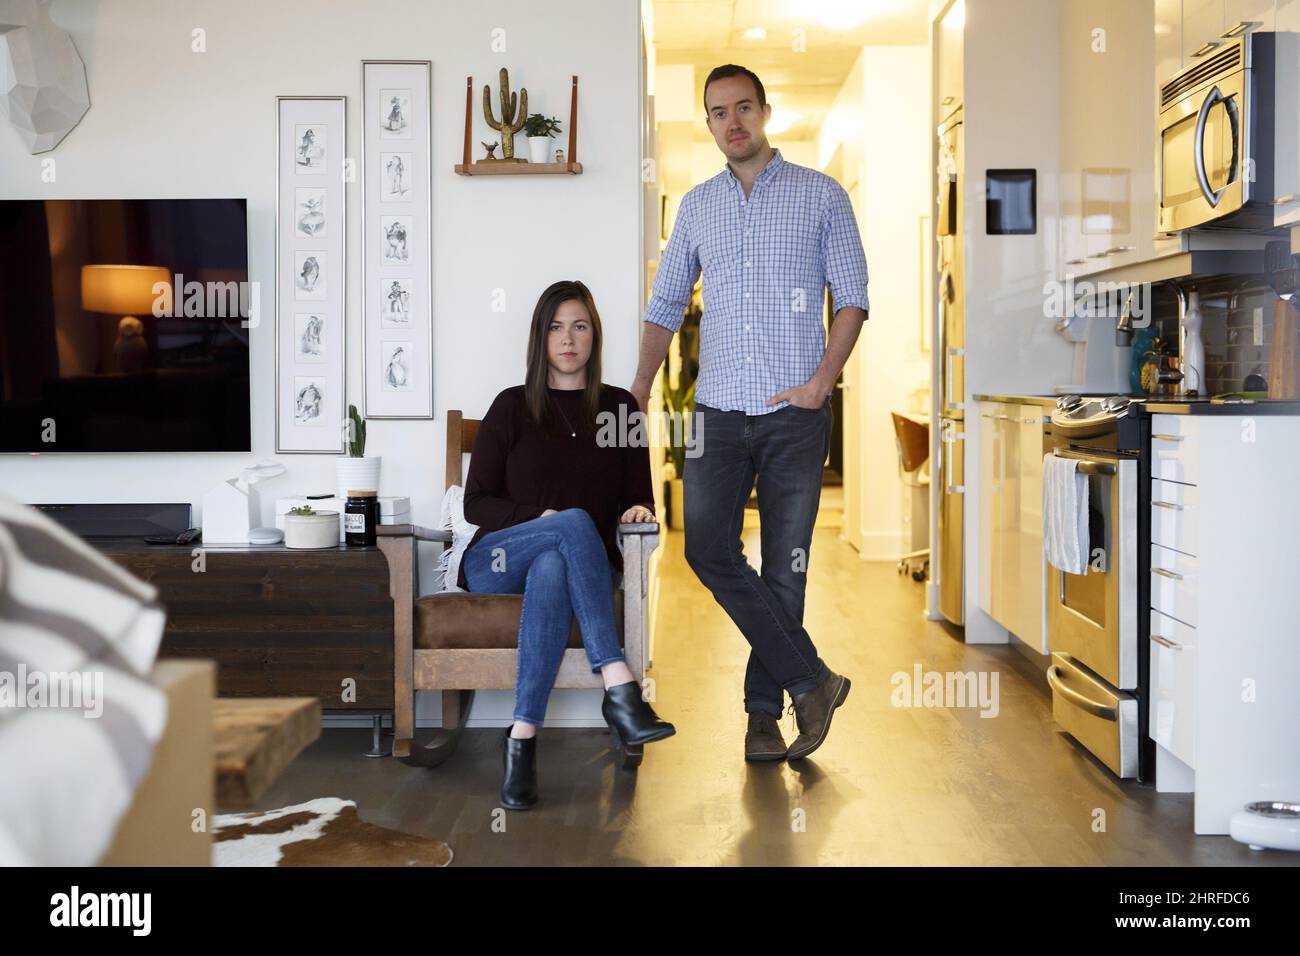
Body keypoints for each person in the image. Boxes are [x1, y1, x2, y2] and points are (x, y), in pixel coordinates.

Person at [630, 64, 869, 763]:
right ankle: (813, 681)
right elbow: (665, 304)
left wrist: (821, 383)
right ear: (708, 123)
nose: (731, 122)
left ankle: (763, 718)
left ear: (765, 110)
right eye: (718, 112)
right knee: (706, 548)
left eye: (742, 108)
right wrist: (638, 389)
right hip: (717, 413)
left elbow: (853, 295)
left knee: (785, 567)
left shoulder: (821, 195)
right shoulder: (697, 207)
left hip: (795, 414)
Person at [462, 279, 675, 810]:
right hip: (498, 559)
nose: (567, 338)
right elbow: (475, 503)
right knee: (568, 526)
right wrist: (540, 519)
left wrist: (639, 511)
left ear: (594, 336)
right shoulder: (511, 406)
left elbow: (641, 495)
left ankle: (521, 740)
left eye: (579, 326)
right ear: (540, 337)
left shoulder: (621, 409)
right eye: (556, 327)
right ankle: (619, 686)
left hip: (582, 569)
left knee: (554, 565)